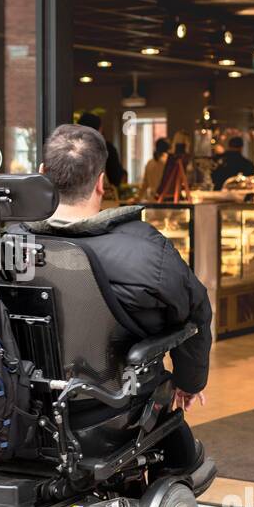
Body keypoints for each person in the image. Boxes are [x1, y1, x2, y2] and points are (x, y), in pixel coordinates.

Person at [22, 124, 213, 417]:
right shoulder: (145, 250)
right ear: (101, 182)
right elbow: (195, 312)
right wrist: (189, 382)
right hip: (111, 406)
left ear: (43, 173)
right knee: (182, 447)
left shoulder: (6, 245)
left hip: (22, 404)